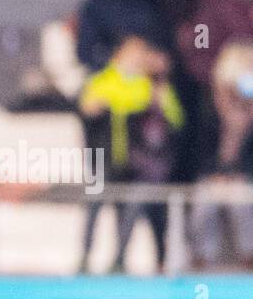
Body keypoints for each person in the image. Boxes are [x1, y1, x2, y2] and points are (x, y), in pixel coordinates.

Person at [78, 36, 185, 273]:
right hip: (103, 158)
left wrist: (159, 89)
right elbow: (89, 105)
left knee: (133, 208)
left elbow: (174, 118)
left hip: (136, 163)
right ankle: (84, 257)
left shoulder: (149, 85)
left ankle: (119, 259)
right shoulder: (104, 80)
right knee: (95, 201)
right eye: (132, 54)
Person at [192, 40, 253, 267]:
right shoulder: (209, 111)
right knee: (204, 200)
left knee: (241, 199)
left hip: (244, 177)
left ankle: (249, 257)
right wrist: (215, 174)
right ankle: (203, 258)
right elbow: (197, 151)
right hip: (213, 175)